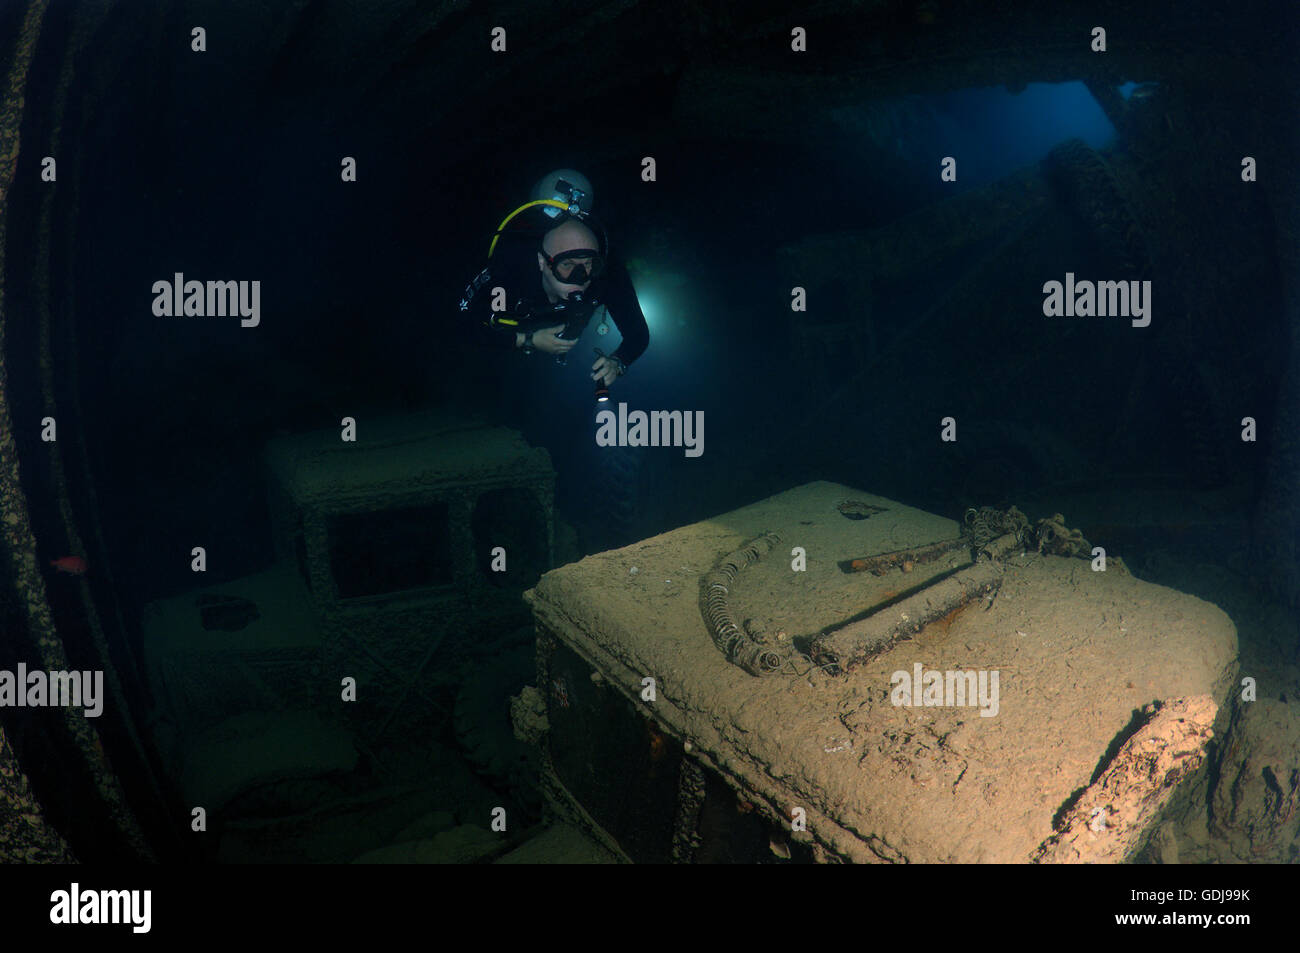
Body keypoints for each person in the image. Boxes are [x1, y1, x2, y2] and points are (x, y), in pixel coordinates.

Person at [457, 169, 649, 390]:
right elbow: (460, 323)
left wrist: (618, 362)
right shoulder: (510, 264)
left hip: (565, 363)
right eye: (566, 265)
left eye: (588, 264)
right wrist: (526, 340)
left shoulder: (607, 271)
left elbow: (638, 334)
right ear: (541, 262)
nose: (580, 279)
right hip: (500, 354)